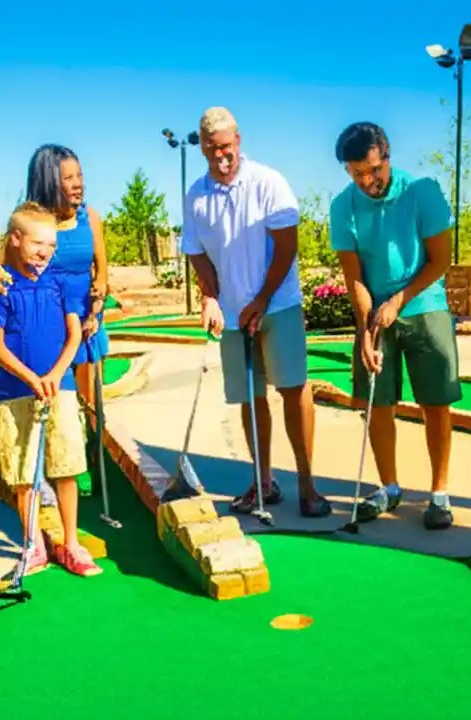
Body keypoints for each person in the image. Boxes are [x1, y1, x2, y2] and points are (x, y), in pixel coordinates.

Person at [179, 106, 332, 518]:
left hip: (277, 305)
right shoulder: (196, 194)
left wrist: (262, 299)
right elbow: (196, 253)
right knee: (250, 397)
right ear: (203, 148)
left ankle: (307, 485)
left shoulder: (268, 182)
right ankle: (263, 482)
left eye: (226, 147)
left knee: (293, 389)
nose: (220, 156)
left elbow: (286, 247)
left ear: (239, 140)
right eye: (212, 150)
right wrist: (210, 296)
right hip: (232, 315)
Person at [328, 122, 461, 531]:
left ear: (386, 155)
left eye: (373, 170)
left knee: (435, 402)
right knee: (376, 402)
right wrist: (366, 330)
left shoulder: (422, 191)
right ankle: (388, 487)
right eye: (357, 174)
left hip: (424, 304)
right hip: (374, 310)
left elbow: (439, 261)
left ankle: (439, 494)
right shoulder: (342, 206)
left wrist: (399, 301)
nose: (367, 181)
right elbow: (354, 276)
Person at [0, 145, 109, 523]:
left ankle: (78, 471)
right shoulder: (34, 223)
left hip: (83, 320)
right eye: (68, 177)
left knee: (85, 403)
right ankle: (44, 480)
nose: (77, 184)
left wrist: (99, 299)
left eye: (79, 176)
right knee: (48, 402)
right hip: (47, 321)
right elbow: (0, 267)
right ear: (48, 179)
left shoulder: (91, 219)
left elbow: (102, 270)